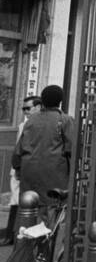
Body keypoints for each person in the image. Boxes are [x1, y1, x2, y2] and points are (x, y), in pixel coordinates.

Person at [11, 84, 75, 205]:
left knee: (30, 209)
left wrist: (18, 170)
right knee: (52, 210)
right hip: (55, 173)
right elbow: (72, 149)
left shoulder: (31, 121)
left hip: (29, 174)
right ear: (60, 101)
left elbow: (18, 151)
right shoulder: (65, 120)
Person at [1, 93, 41, 245]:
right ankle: (13, 234)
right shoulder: (23, 125)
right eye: (23, 109)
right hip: (21, 170)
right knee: (16, 201)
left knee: (27, 202)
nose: (25, 112)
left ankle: (21, 235)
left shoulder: (35, 125)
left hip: (31, 169)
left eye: (28, 108)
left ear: (38, 107)